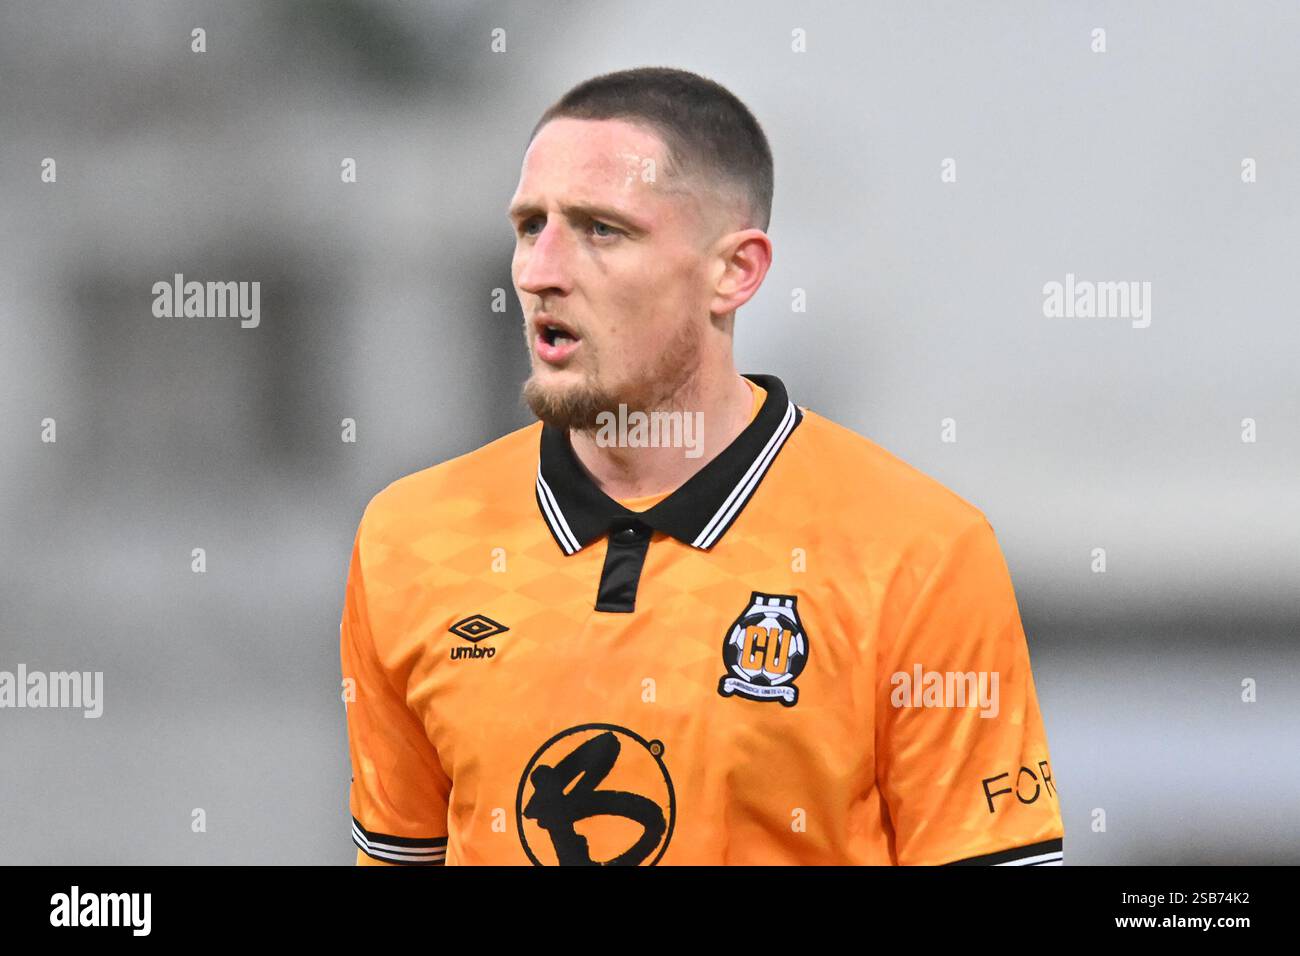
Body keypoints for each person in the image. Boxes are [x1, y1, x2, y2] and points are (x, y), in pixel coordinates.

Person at [341, 66, 1064, 866]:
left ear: (735, 273)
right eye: (529, 225)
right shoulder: (409, 539)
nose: (539, 270)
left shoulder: (919, 552)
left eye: (600, 230)